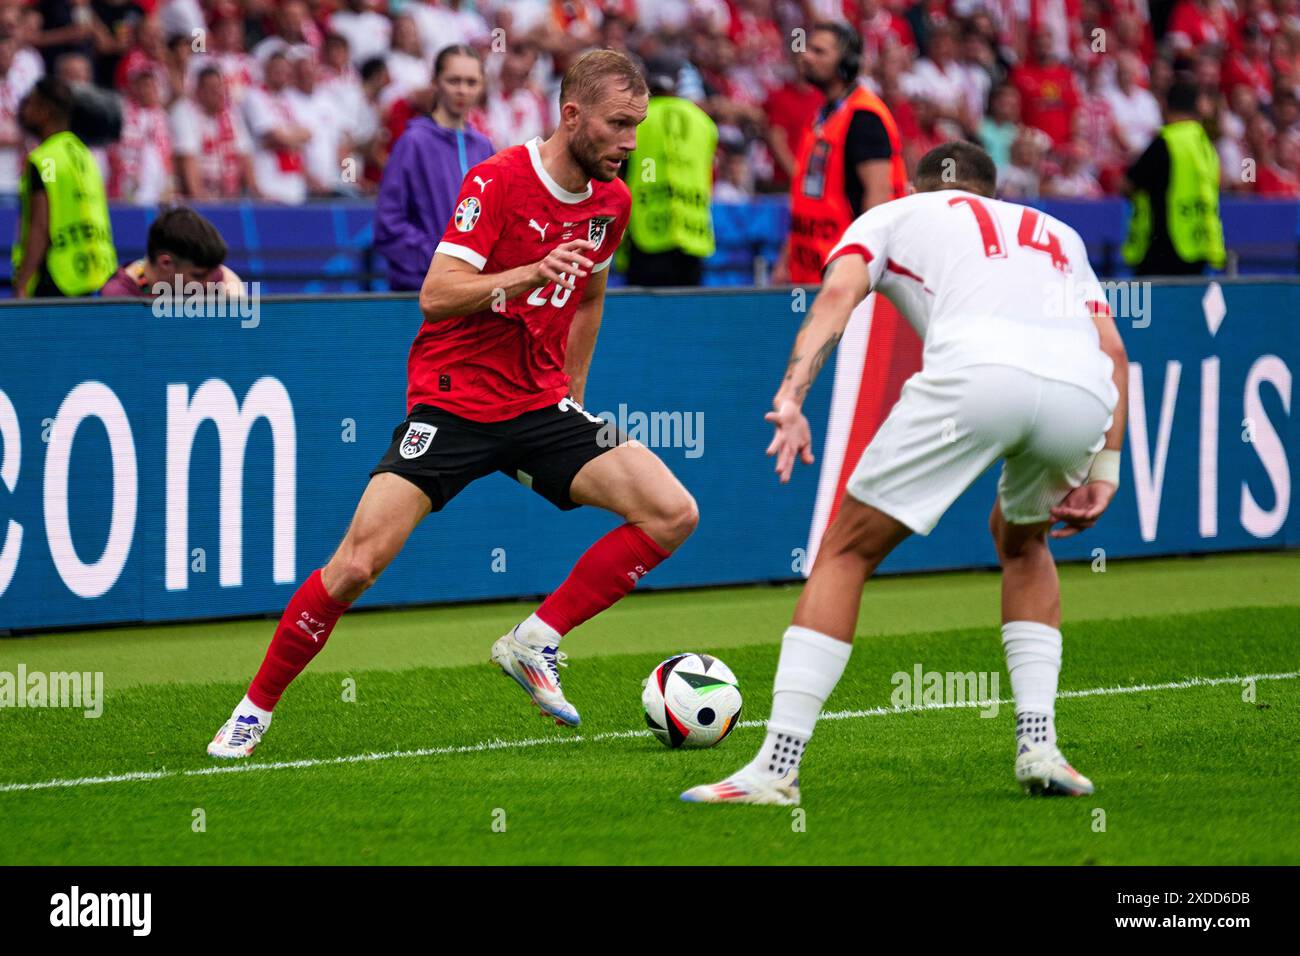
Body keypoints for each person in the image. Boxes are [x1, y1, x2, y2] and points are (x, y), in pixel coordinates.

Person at [207, 50, 698, 758]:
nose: (631, 142)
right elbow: (435, 295)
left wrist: (574, 396)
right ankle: (253, 710)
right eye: (619, 124)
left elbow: (590, 297)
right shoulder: (496, 181)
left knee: (673, 511)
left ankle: (536, 641)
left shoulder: (612, 203)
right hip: (452, 406)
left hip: (539, 407)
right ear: (571, 115)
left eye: (638, 125)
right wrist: (529, 271)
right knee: (354, 566)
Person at [682, 142, 1128, 805]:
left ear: (914, 186)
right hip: (1081, 392)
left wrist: (792, 395)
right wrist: (1107, 467)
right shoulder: (1054, 233)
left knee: (845, 550)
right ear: (993, 193)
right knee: (1023, 540)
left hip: (979, 377)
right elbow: (1114, 349)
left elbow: (836, 297)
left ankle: (777, 769)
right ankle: (1041, 748)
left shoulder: (895, 214)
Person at [780, 20, 907, 284]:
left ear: (846, 64)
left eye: (819, 51)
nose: (805, 56)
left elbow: (877, 198)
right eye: (807, 49)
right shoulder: (823, 115)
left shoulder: (863, 117)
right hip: (811, 270)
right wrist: (785, 261)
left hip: (842, 276)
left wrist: (859, 270)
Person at [374, 44, 494, 291]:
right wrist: (441, 258)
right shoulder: (413, 141)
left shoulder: (484, 147)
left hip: (472, 291)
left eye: (471, 82)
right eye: (453, 81)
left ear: (482, 86)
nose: (462, 90)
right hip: (421, 291)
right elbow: (388, 225)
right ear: (435, 81)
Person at [11, 76, 116, 298]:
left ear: (45, 111)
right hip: (95, 271)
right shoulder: (85, 155)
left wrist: (23, 281)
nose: (24, 110)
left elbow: (40, 225)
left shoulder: (45, 160)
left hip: (56, 276)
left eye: (30, 103)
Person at [623, 54, 717, 287]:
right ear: (678, 81)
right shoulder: (703, 122)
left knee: (646, 318)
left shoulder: (634, 120)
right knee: (687, 316)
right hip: (691, 231)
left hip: (645, 232)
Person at [1122, 79, 1226, 276]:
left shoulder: (1166, 141)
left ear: (1165, 104)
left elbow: (1129, 184)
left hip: (1162, 248)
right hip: (1197, 245)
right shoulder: (1205, 144)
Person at [100, 205, 244, 297]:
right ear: (166, 263)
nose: (208, 283)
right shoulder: (118, 297)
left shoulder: (206, 276)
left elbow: (224, 275)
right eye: (198, 275)